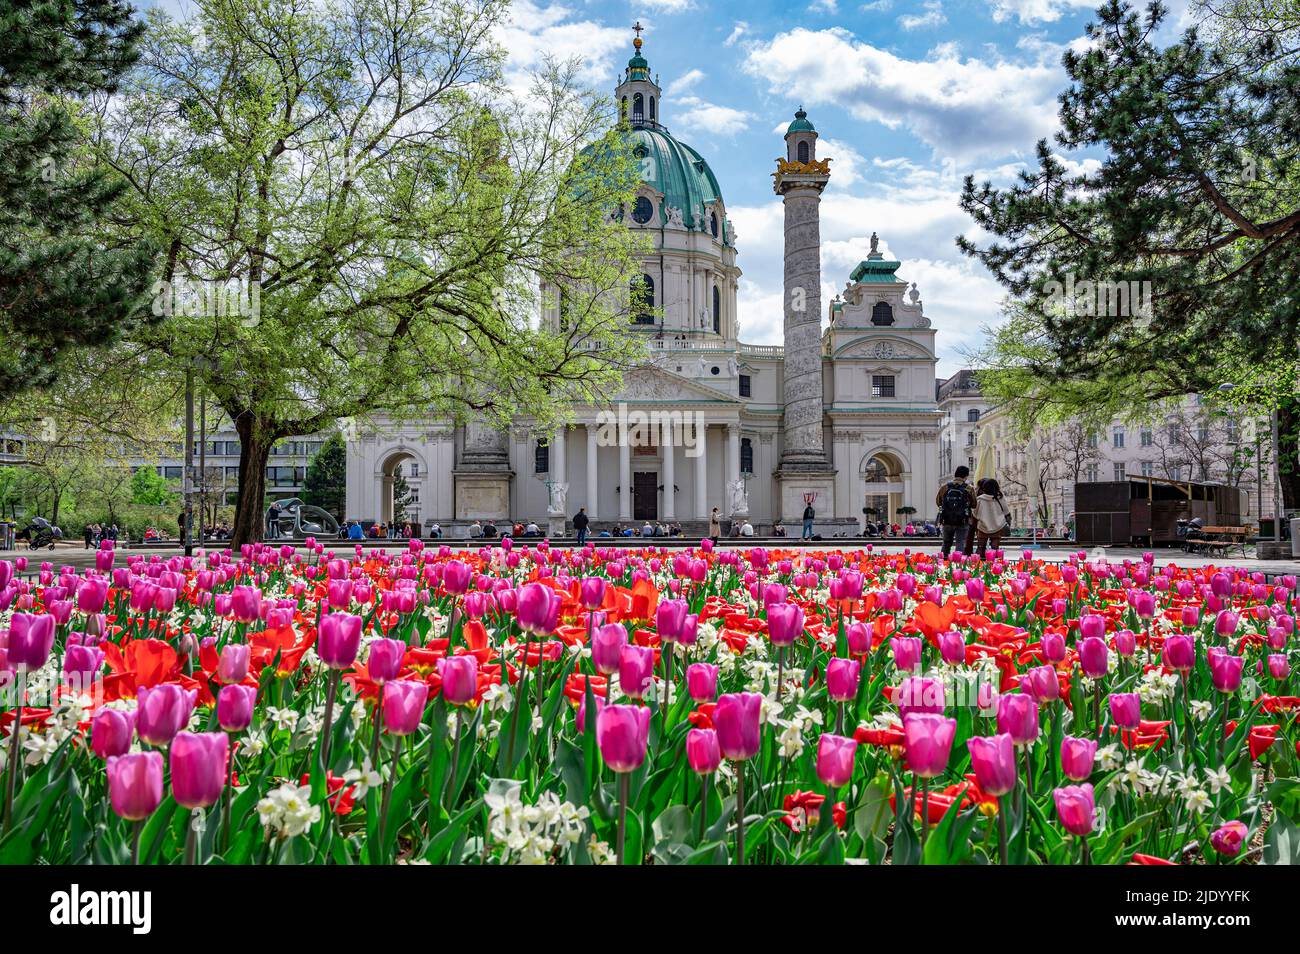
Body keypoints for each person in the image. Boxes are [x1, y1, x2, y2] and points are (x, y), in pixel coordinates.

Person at [936, 465, 977, 559]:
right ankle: (957, 565)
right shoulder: (969, 488)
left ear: (955, 475)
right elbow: (974, 504)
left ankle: (943, 564)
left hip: (947, 520)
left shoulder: (945, 487)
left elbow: (938, 502)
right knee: (960, 543)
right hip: (963, 520)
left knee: (946, 542)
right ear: (966, 476)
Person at [973, 478, 1010, 558]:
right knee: (995, 547)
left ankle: (979, 564)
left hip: (983, 526)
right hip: (997, 525)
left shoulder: (980, 499)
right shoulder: (1000, 497)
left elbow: (974, 513)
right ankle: (995, 564)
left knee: (981, 547)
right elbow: (1006, 511)